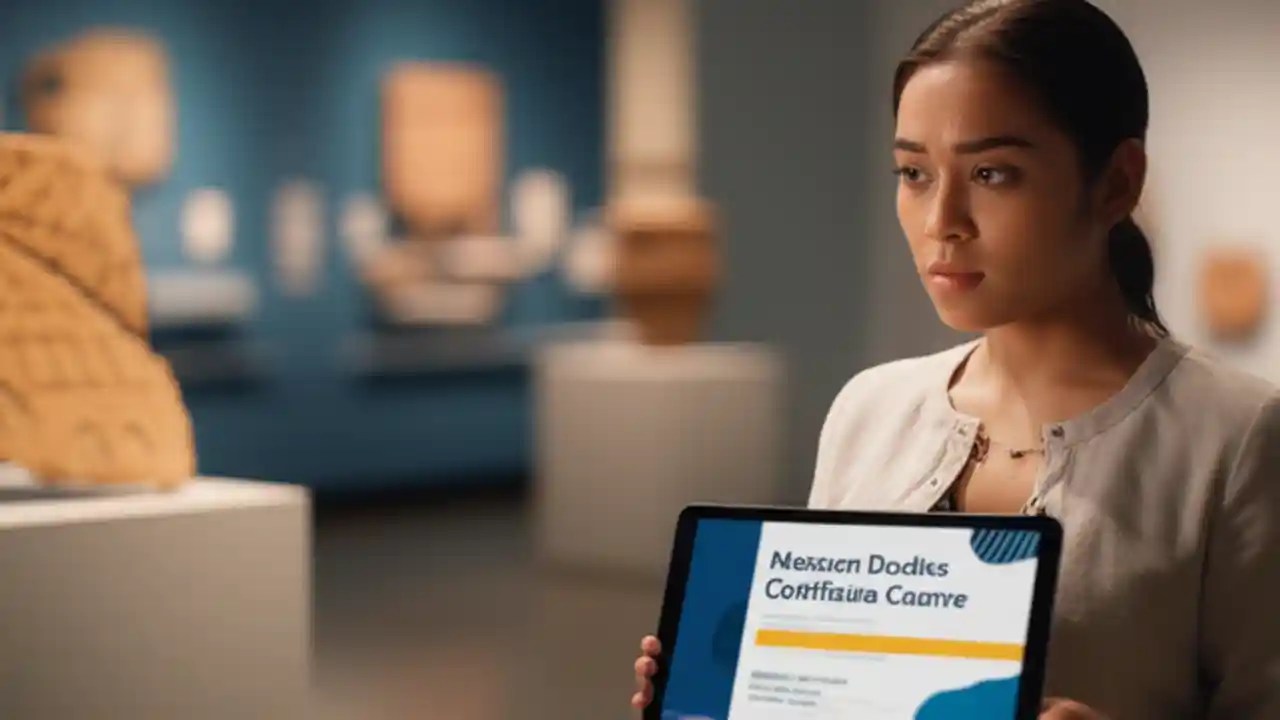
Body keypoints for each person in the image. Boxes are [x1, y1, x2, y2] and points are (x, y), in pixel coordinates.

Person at [630, 0, 1280, 717]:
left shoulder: (1235, 438)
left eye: (992, 173)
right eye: (914, 173)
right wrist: (728, 692)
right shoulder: (871, 409)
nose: (942, 222)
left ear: (1116, 183)